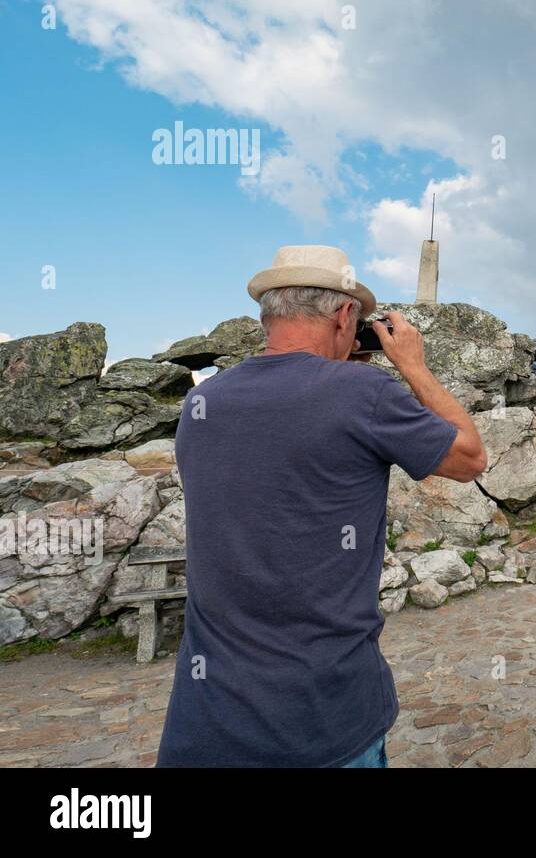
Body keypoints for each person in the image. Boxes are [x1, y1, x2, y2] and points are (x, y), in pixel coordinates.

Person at [155, 245, 487, 768]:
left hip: (205, 722)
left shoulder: (202, 403)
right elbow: (469, 458)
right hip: (323, 721)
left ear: (268, 315)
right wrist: (413, 368)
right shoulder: (364, 391)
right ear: (343, 315)